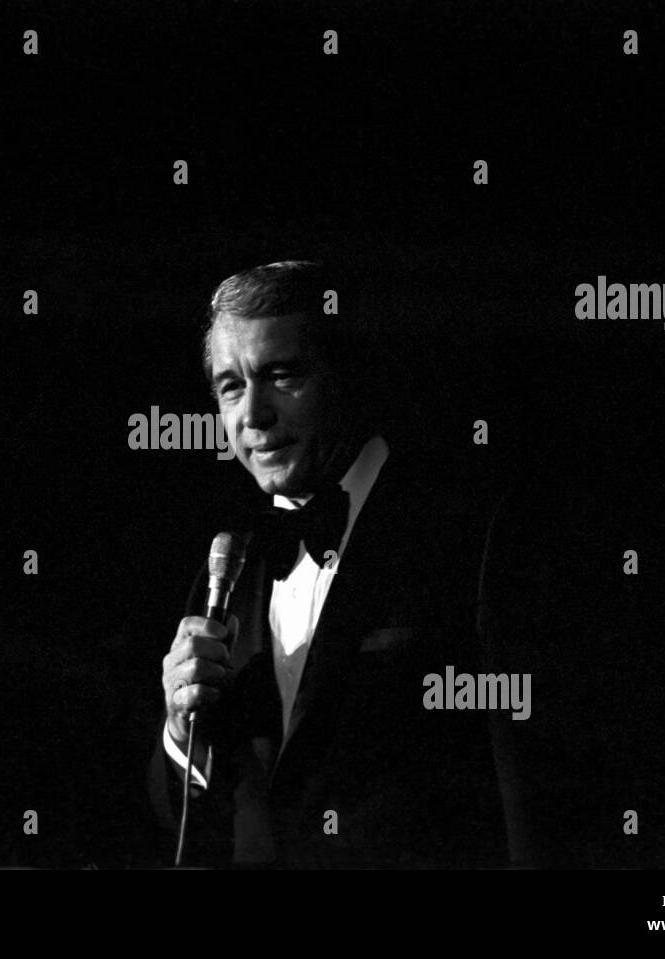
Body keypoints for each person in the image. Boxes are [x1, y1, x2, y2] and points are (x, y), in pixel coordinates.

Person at [149, 259, 509, 867]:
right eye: (230, 386)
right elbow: (186, 822)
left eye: (280, 375)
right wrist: (182, 734)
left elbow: (530, 780)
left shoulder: (465, 538)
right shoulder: (227, 568)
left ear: (346, 373)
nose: (252, 415)